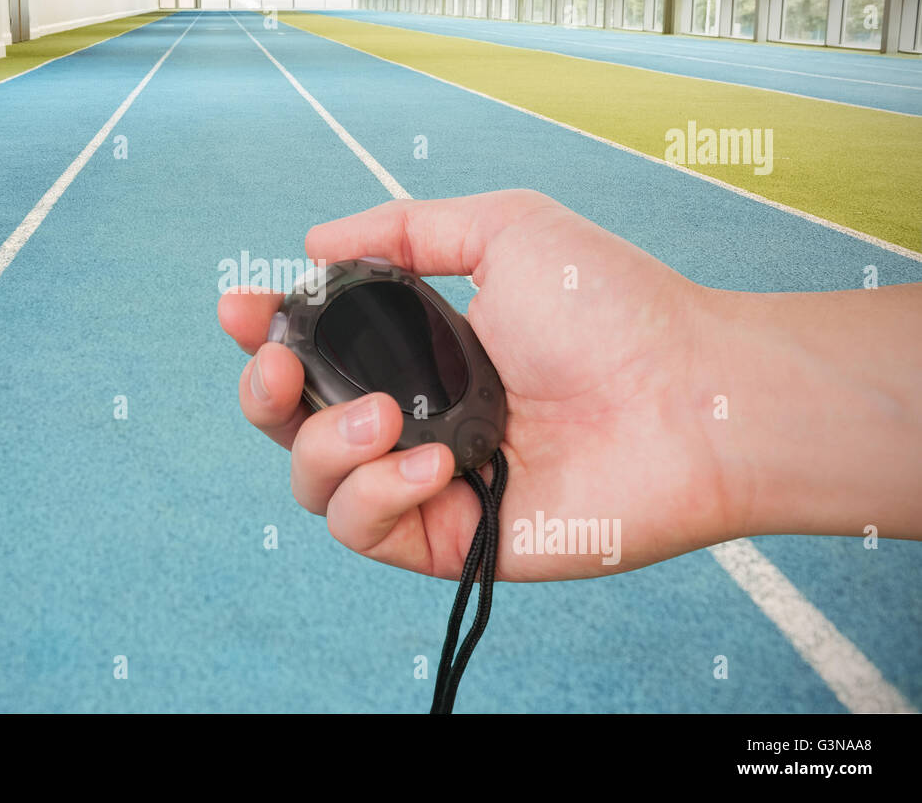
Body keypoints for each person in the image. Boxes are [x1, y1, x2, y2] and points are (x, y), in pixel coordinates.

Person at [217, 190, 922, 582]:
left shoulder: (345, 300)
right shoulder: (364, 292)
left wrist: (686, 375)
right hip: (476, 416)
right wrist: (691, 390)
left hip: (468, 418)